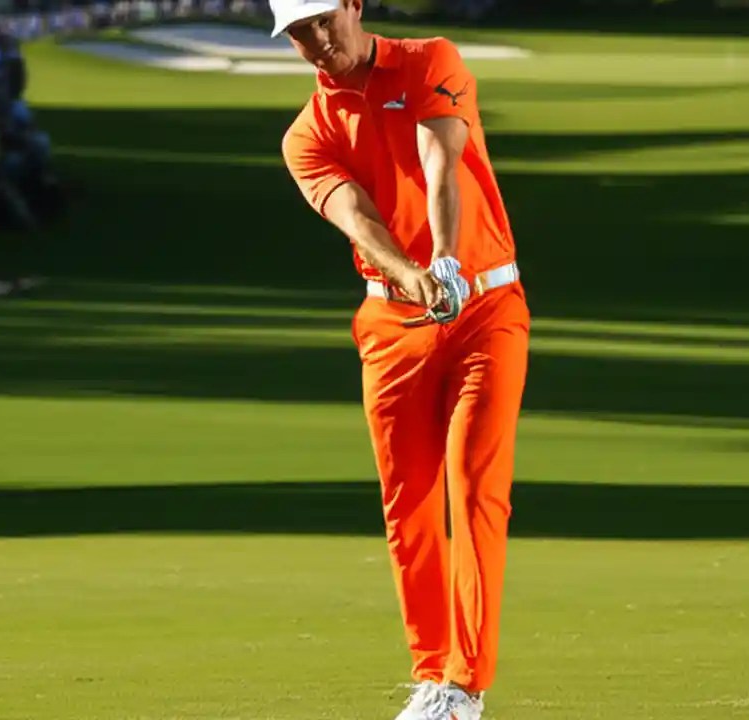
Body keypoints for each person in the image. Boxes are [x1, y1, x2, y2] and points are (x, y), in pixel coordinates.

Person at [274, 2, 530, 719]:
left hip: (485, 310)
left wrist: (443, 261)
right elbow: (355, 216)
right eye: (298, 32)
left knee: (473, 486)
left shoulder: (429, 61)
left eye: (323, 19)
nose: (317, 41)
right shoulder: (306, 136)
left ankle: (464, 685)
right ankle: (431, 675)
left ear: (353, 5)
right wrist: (412, 274)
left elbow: (439, 158)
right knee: (407, 504)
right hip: (391, 323)